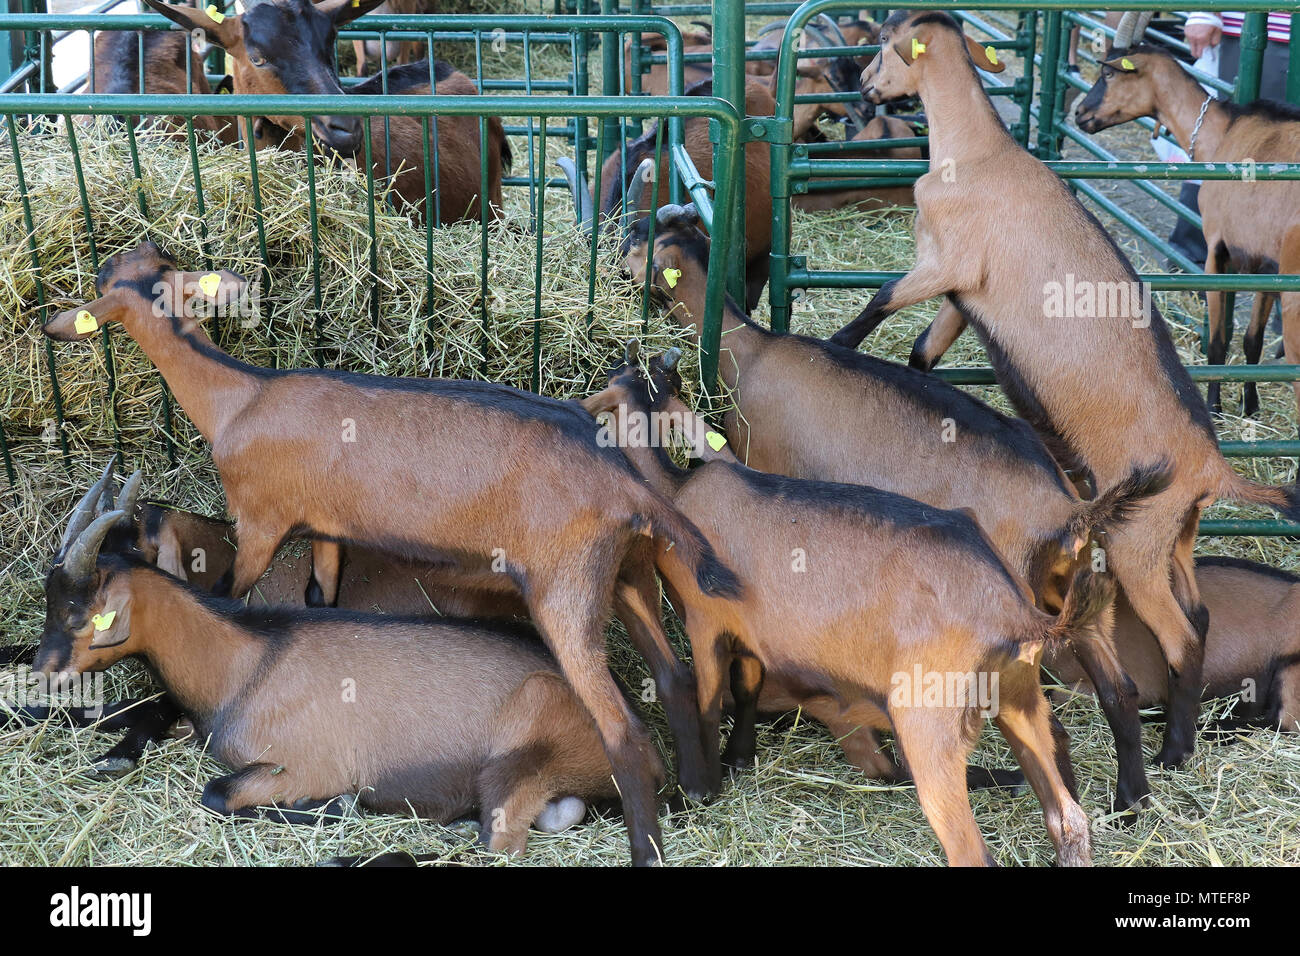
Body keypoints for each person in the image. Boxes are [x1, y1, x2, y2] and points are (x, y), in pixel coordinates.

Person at [1170, 12, 1292, 267]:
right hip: (1259, 27)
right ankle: (1196, 260)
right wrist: (1205, 10)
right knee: (1232, 145)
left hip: (1268, 28)